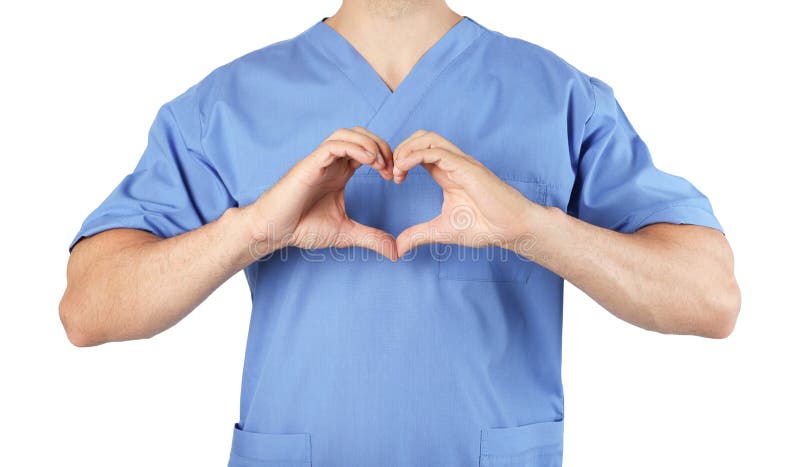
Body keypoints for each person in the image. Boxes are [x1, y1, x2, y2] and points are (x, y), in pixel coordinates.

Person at [59, 1, 741, 466]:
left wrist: (533, 228)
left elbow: (710, 296)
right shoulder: (226, 105)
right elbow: (88, 307)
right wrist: (252, 233)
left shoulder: (560, 99)